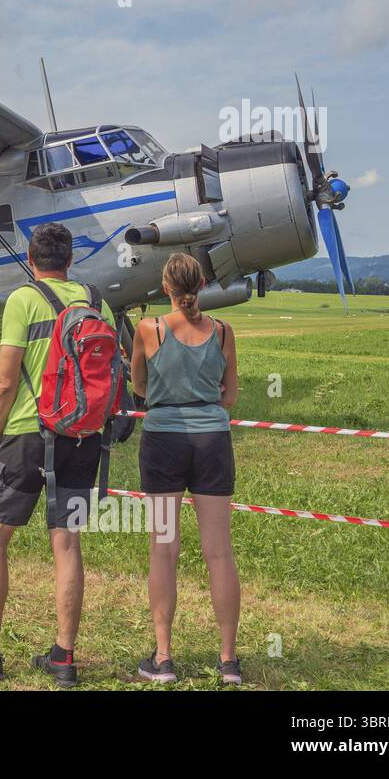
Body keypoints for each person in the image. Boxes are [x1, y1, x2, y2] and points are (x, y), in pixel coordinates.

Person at [0, 222, 116, 685]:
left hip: (27, 435)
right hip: (83, 437)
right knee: (67, 543)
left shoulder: (23, 299)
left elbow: (4, 379)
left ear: (31, 261)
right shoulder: (98, 302)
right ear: (71, 260)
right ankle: (63, 659)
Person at [130, 252, 242, 686]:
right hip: (212, 441)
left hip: (163, 442)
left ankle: (163, 658)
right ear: (202, 285)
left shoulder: (149, 329)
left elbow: (139, 386)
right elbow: (229, 396)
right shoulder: (224, 331)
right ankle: (228, 660)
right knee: (219, 552)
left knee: (164, 548)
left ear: (166, 288)